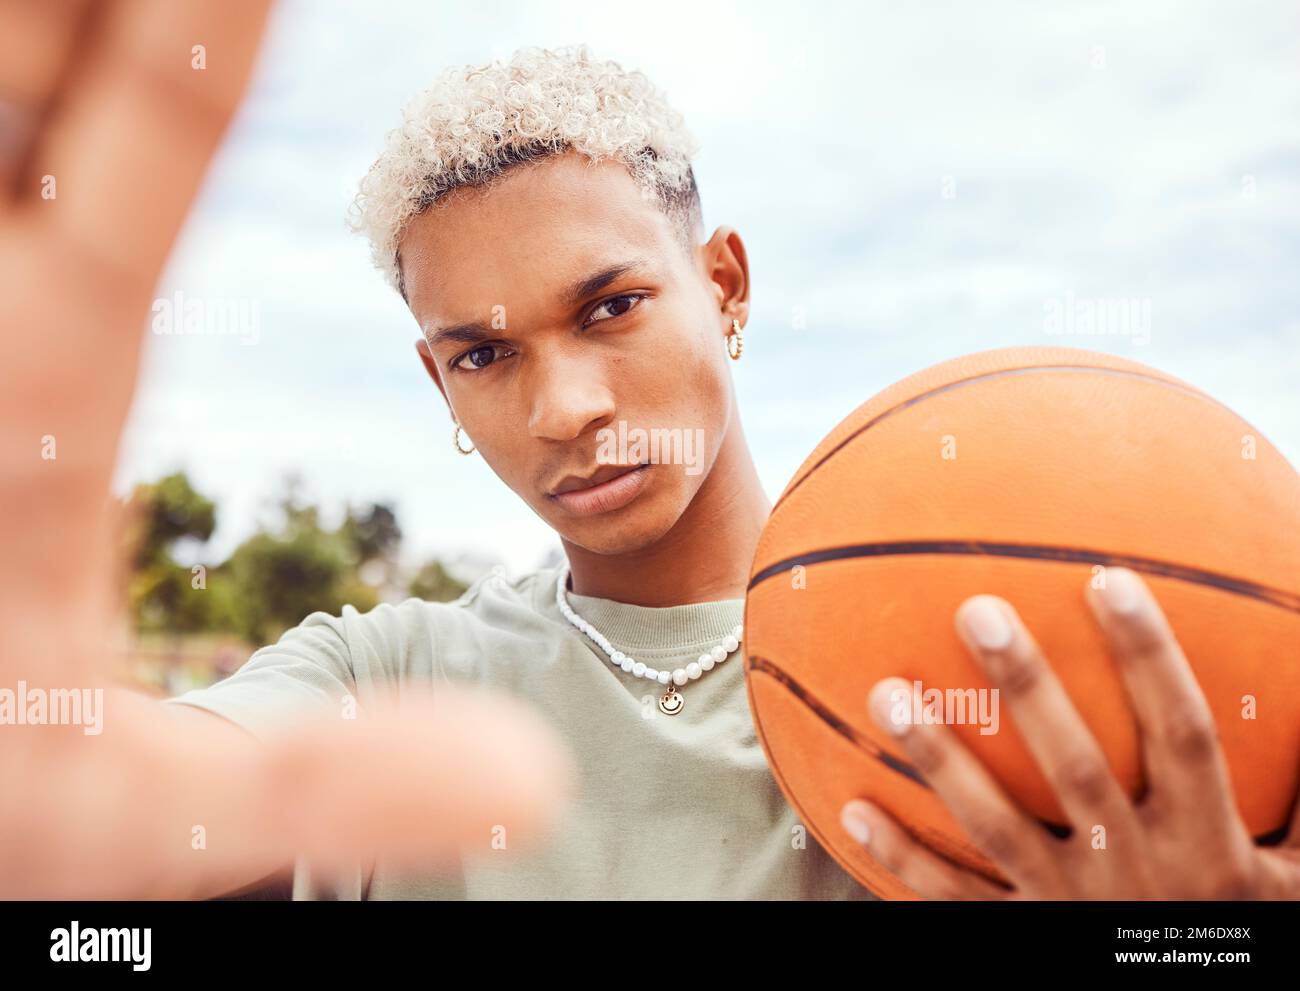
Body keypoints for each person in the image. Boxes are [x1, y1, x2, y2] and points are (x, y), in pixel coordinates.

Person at [4, 11, 1297, 900]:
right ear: (435, 380)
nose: (563, 406)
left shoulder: (1009, 640)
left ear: (723, 284)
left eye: (610, 305)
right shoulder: (385, 672)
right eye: (482, 353)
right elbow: (119, 807)